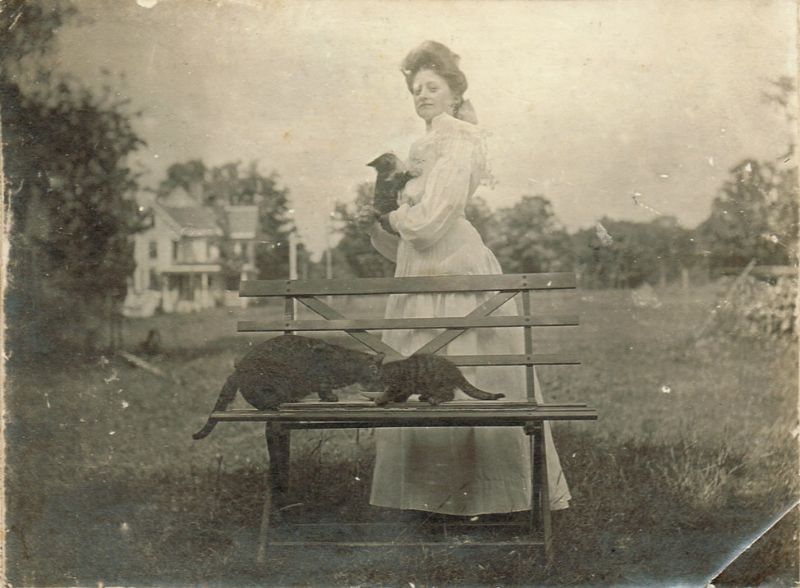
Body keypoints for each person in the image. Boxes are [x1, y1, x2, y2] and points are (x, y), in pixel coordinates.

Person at [363, 41, 570, 516]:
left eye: (432, 87)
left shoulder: (458, 139)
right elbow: (411, 231)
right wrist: (387, 219)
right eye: (415, 89)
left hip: (455, 269)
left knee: (468, 367)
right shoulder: (428, 145)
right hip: (422, 271)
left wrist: (394, 216)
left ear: (455, 93)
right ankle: (435, 502)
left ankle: (486, 501)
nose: (421, 95)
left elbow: (432, 220)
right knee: (429, 372)